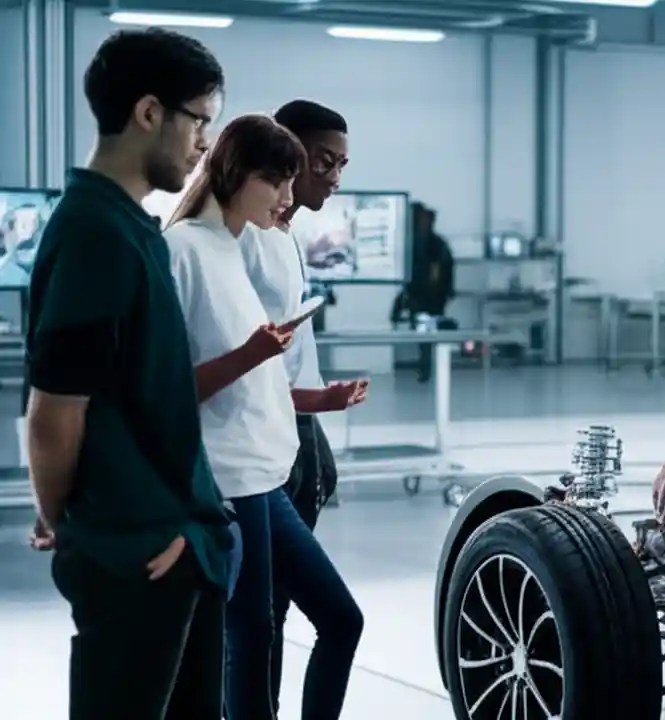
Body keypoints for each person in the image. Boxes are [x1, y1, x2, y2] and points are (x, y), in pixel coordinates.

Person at [24, 27, 233, 719]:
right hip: (140, 555)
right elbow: (54, 411)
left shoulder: (130, 226)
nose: (206, 142)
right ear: (150, 113)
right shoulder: (94, 233)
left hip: (179, 543)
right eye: (200, 120)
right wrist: (77, 525)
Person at [163, 113, 367, 720]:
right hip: (227, 480)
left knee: (337, 620)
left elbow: (262, 380)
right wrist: (253, 353)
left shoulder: (233, 245)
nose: (290, 196)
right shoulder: (183, 251)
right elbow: (163, 388)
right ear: (235, 173)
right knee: (252, 637)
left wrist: (316, 398)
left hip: (266, 475)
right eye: (279, 181)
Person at [239, 98, 367, 717]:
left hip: (294, 429)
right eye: (324, 161)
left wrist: (317, 405)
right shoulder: (239, 238)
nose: (334, 178)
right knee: (259, 615)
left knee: (281, 610)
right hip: (257, 441)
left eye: (342, 165)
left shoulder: (285, 235)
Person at [394, 202, 455, 382]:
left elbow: (438, 273)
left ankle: (427, 366)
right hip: (423, 294)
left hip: (431, 296)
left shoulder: (433, 244)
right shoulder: (421, 242)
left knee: (427, 332)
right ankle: (427, 365)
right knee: (424, 332)